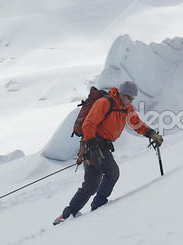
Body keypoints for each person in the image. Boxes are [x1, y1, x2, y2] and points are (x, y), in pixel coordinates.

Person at [53, 80, 163, 223]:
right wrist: (92, 148)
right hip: (92, 144)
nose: (130, 101)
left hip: (100, 146)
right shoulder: (105, 103)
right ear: (122, 94)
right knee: (112, 172)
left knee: (91, 184)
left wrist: (151, 133)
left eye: (133, 99)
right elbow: (88, 124)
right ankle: (98, 206)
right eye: (129, 98)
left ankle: (67, 215)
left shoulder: (125, 108)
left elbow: (135, 122)